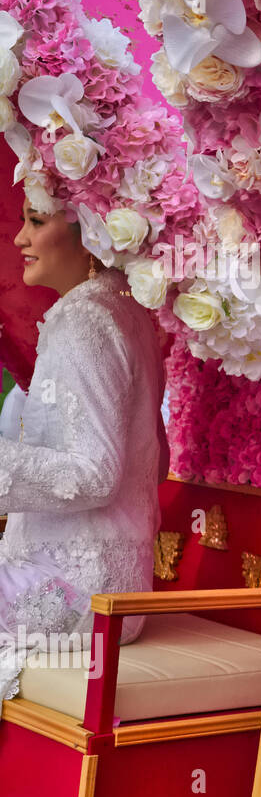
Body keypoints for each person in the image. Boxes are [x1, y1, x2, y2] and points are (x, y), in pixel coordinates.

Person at [0, 201, 167, 701]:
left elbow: (94, 474)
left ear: (88, 232)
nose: (18, 241)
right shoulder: (126, 308)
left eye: (36, 221)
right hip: (106, 591)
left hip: (76, 596)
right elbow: (155, 461)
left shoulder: (85, 320)